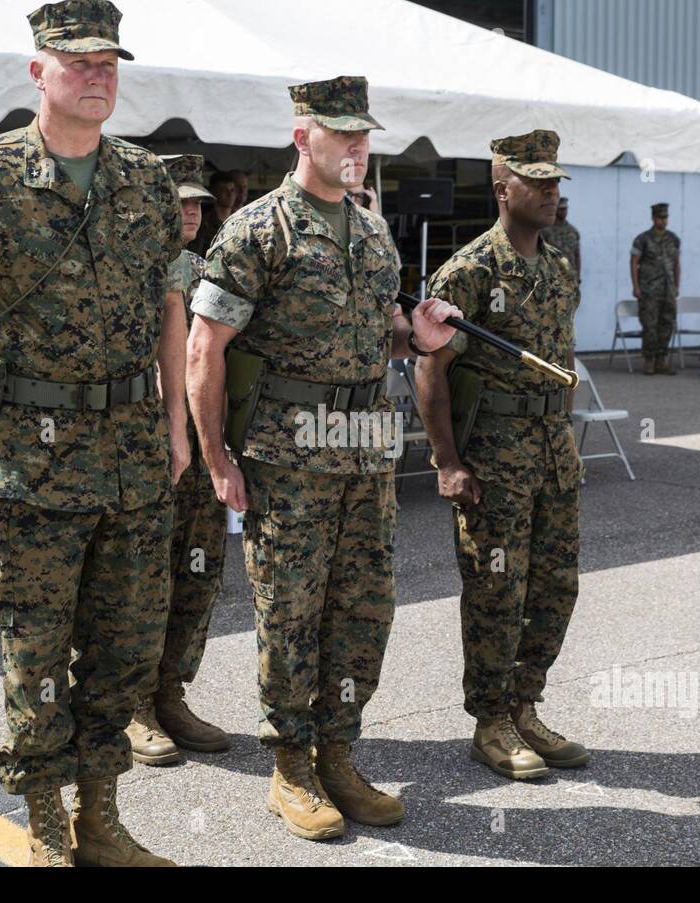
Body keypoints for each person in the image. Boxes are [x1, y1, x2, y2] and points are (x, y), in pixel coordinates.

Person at [0, 0, 186, 867]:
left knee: (125, 649)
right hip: (30, 458)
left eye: (109, 62)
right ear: (38, 72)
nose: (98, 76)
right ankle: (46, 827)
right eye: (79, 62)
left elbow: (173, 306)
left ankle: (100, 817)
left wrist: (178, 426)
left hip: (135, 454)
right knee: (36, 652)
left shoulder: (146, 179)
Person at [187, 75, 459, 841]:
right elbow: (206, 351)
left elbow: (385, 339)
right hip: (288, 455)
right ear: (302, 137)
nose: (357, 150)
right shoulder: (255, 231)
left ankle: (340, 753)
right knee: (290, 613)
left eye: (364, 137)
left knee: (364, 610)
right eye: (342, 136)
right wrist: (216, 460)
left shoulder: (373, 234)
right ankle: (291, 767)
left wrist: (421, 339)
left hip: (367, 451)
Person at [415, 129, 590, 782]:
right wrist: (447, 461)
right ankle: (489, 721)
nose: (548, 192)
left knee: (554, 588)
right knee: (496, 590)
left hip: (553, 456)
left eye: (554, 182)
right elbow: (430, 373)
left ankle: (524, 705)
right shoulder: (470, 269)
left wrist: (564, 439)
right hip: (494, 462)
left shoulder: (558, 264)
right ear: (502, 188)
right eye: (535, 181)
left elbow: (565, 359)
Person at [137, 152, 230, 759]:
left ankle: (171, 691)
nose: (191, 210)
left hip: (202, 448)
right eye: (179, 201)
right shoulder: (129, 268)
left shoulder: (211, 270)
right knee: (139, 578)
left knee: (197, 574)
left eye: (198, 201)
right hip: (144, 445)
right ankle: (132, 703)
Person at [629, 202, 680, 375]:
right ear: (653, 218)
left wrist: (677, 286)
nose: (663, 221)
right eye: (660, 217)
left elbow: (676, 264)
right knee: (650, 326)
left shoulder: (673, 239)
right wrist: (635, 286)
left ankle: (661, 360)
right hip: (649, 290)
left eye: (665, 217)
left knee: (667, 324)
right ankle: (649, 360)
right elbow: (634, 262)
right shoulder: (643, 239)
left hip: (668, 290)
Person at [187, 170, 238, 256]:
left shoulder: (239, 220)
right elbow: (196, 254)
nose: (230, 194)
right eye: (223, 190)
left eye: (232, 190)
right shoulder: (202, 224)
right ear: (214, 192)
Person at [541, 195, 580, 278]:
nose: (564, 212)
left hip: (570, 275)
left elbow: (577, 254)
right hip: (553, 275)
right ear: (555, 210)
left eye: (565, 209)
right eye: (561, 209)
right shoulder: (546, 231)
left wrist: (578, 276)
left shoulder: (573, 231)